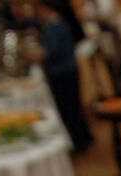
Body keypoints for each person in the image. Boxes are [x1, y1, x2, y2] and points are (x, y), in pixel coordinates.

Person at [35, 0, 93, 153]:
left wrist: (35, 54)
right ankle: (84, 137)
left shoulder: (55, 25)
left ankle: (78, 142)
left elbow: (49, 52)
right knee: (74, 107)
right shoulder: (59, 22)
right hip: (68, 69)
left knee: (68, 109)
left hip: (62, 72)